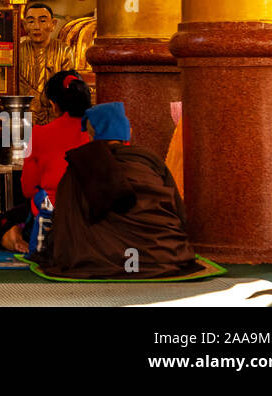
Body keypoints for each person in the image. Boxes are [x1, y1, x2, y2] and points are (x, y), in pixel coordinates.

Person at [39, 102, 199, 279]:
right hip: (162, 254)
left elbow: (64, 220)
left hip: (97, 258)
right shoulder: (148, 160)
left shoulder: (81, 164)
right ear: (127, 132)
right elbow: (177, 210)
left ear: (92, 135)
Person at [0, 69, 91, 253]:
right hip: (92, 215)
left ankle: (17, 238)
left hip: (52, 215)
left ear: (53, 105)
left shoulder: (39, 133)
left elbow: (28, 189)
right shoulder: (100, 132)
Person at [17, 1, 74, 128]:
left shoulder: (64, 51)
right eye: (31, 22)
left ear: (53, 24)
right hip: (25, 114)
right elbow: (15, 81)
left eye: (42, 21)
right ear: (24, 26)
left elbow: (67, 84)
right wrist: (32, 104)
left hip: (55, 116)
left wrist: (47, 101)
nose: (36, 27)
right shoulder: (18, 52)